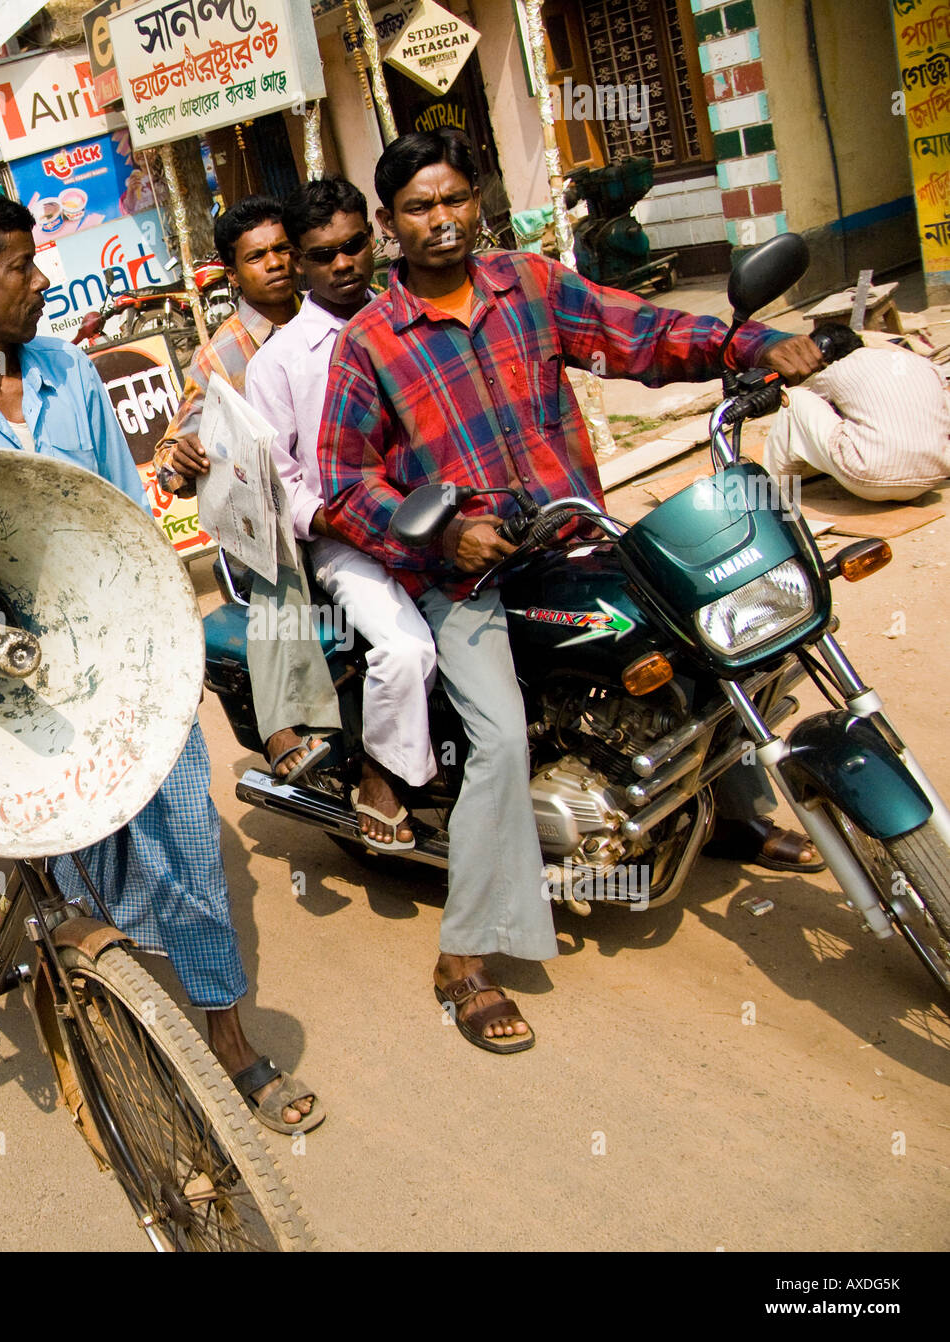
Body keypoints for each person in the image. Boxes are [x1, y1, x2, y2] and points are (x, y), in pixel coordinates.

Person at [317, 131, 827, 1055]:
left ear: (480, 200)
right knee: (501, 738)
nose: (443, 221)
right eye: (420, 208)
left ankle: (730, 813)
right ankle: (467, 955)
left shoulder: (534, 286)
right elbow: (346, 483)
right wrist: (440, 529)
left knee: (700, 626)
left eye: (456, 199)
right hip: (463, 576)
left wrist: (754, 344)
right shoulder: (369, 343)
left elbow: (644, 334)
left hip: (572, 533)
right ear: (391, 226)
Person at [0, 186, 323, 1134]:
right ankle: (123, 1020)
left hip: (116, 644)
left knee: (186, 834)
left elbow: (126, 517)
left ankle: (229, 1039)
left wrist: (163, 634)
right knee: (74, 858)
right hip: (8, 669)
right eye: (20, 268)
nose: (41, 280)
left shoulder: (71, 373)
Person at [244, 177, 436, 850]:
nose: (344, 264)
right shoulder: (279, 364)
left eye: (354, 246)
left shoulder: (411, 317)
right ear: (297, 261)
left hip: (444, 520)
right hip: (349, 542)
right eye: (323, 255)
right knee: (406, 651)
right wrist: (340, 521)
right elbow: (281, 484)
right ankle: (381, 781)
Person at [154, 196, 342, 785]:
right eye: (257, 257)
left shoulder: (336, 314)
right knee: (278, 566)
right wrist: (180, 460)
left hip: (348, 499)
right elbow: (170, 455)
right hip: (278, 526)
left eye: (283, 249)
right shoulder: (223, 353)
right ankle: (282, 723)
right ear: (234, 275)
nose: (276, 264)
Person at [765, 322, 950, 501]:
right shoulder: (919, 362)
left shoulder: (835, 370)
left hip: (870, 480)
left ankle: (770, 496)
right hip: (934, 475)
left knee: (795, 399)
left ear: (822, 357)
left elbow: (811, 408)